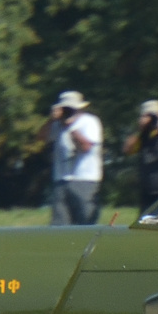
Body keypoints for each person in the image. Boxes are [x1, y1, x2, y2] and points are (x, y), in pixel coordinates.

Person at [40, 90, 103, 226]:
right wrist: (51, 120)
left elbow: (86, 147)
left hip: (85, 180)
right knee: (59, 225)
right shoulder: (57, 125)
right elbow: (41, 137)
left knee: (85, 222)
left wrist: (71, 127)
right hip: (61, 179)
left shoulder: (90, 122)